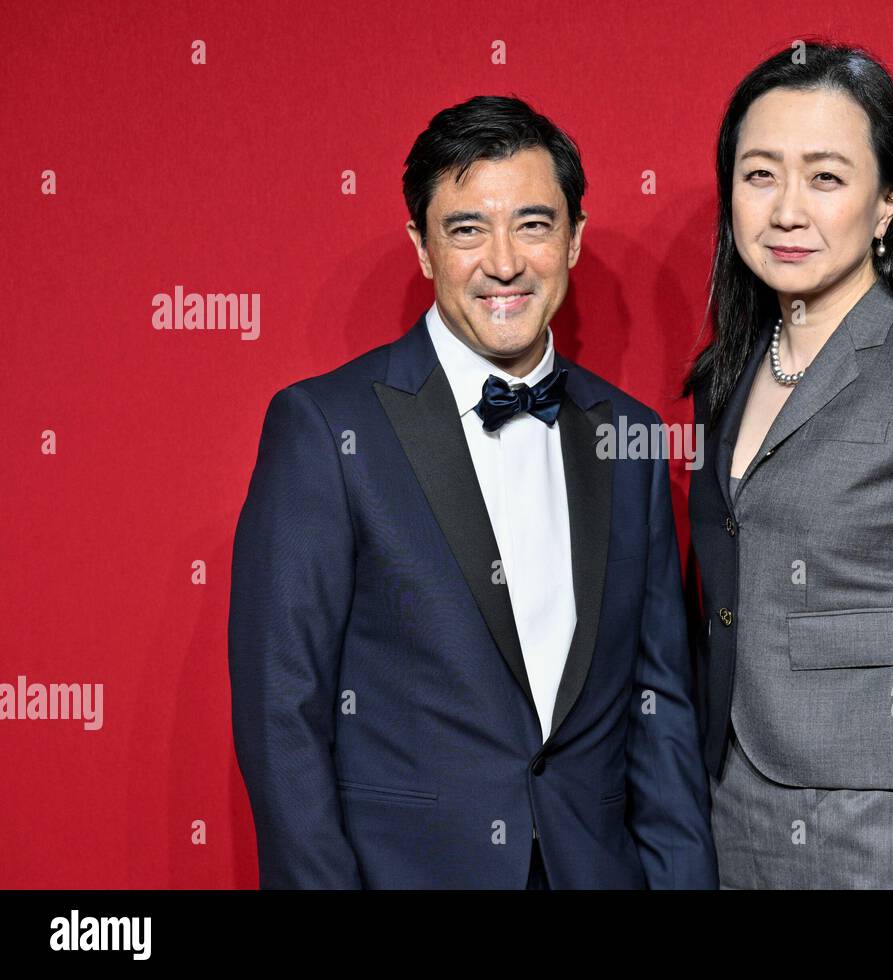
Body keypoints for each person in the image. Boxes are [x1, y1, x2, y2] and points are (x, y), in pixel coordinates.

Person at [229, 95, 717, 889]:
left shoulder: (628, 437)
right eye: (466, 230)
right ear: (422, 249)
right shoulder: (324, 428)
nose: (503, 261)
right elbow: (282, 713)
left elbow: (659, 710)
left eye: (533, 224)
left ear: (574, 238)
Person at [684, 42, 893, 889]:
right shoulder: (724, 371)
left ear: (889, 203)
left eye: (826, 178)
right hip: (727, 804)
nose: (786, 211)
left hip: (878, 820)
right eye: (760, 175)